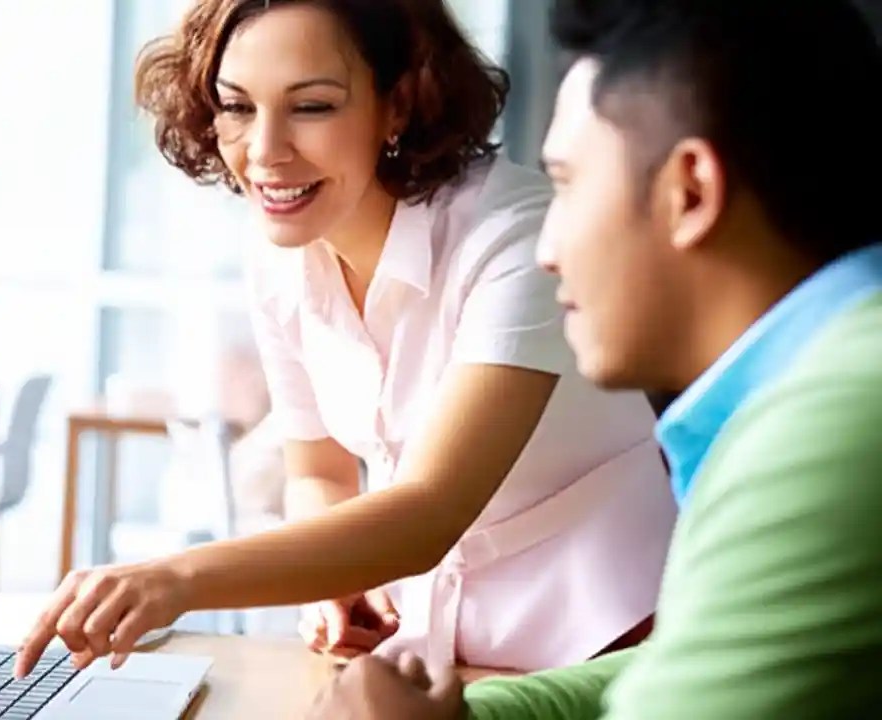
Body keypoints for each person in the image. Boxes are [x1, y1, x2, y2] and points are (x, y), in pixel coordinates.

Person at [13, 0, 678, 678]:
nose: (265, 151)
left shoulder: (511, 235)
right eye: (236, 106)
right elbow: (319, 472)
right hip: (439, 647)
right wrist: (337, 579)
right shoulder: (278, 257)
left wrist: (174, 579)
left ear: (399, 104)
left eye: (312, 107)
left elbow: (429, 511)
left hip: (619, 634)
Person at [307, 0, 882, 717]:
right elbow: (677, 665)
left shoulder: (834, 424)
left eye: (569, 185)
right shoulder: (826, 378)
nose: (547, 250)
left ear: (690, 191)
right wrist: (466, 716)